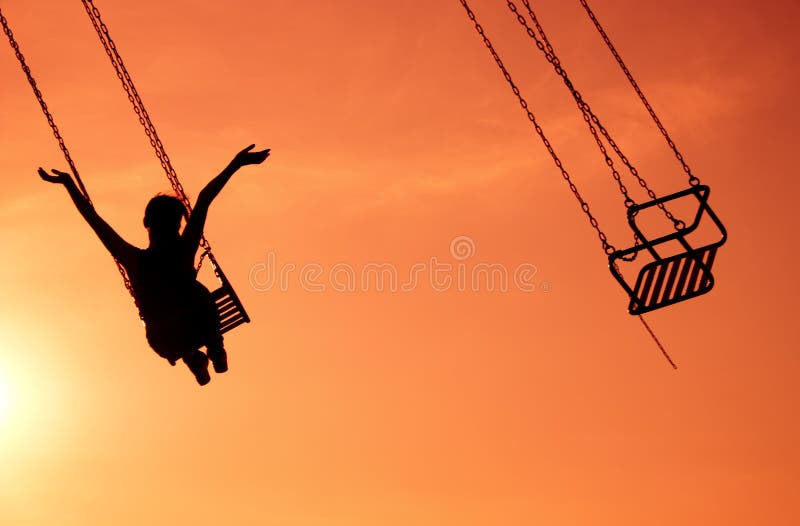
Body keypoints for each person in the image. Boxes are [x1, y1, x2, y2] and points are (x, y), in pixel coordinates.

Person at [37, 144, 270, 385]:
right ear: (179, 225)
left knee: (173, 315)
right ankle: (215, 348)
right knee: (198, 294)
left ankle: (193, 359)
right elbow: (204, 198)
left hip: (166, 341)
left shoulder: (134, 259)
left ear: (146, 221)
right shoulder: (185, 247)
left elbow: (95, 221)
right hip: (200, 323)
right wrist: (235, 165)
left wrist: (69, 185)